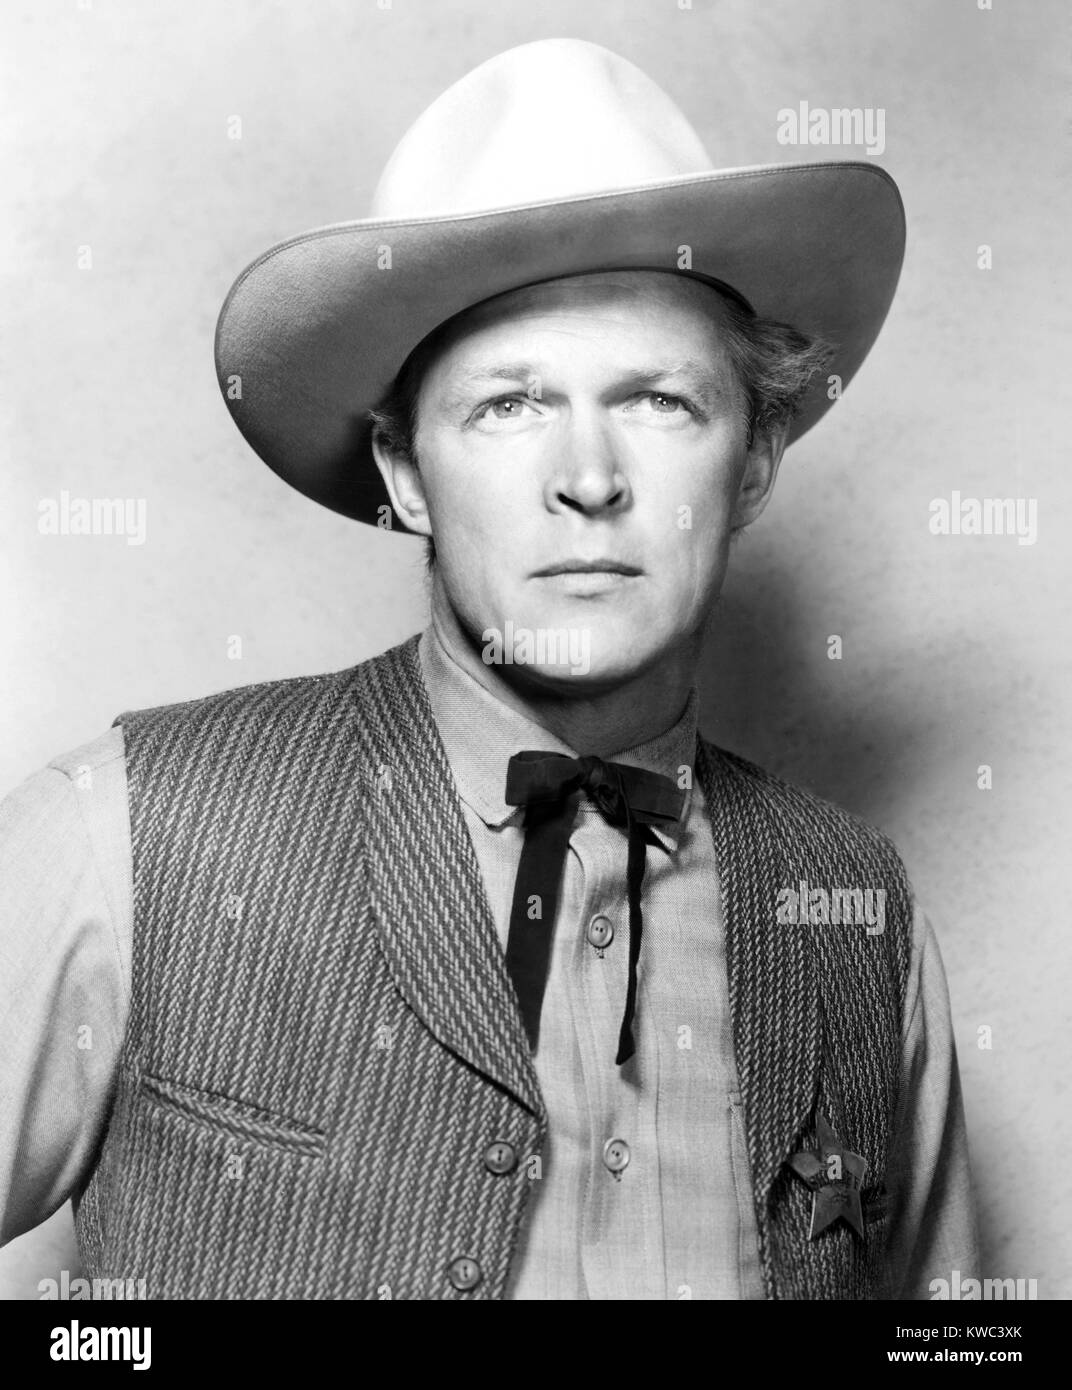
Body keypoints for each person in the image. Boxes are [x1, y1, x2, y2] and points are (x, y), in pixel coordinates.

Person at [0, 38, 976, 1300]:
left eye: (659, 402)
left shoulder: (862, 917)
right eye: (508, 404)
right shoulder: (126, 832)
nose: (587, 476)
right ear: (407, 476)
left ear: (752, 464)